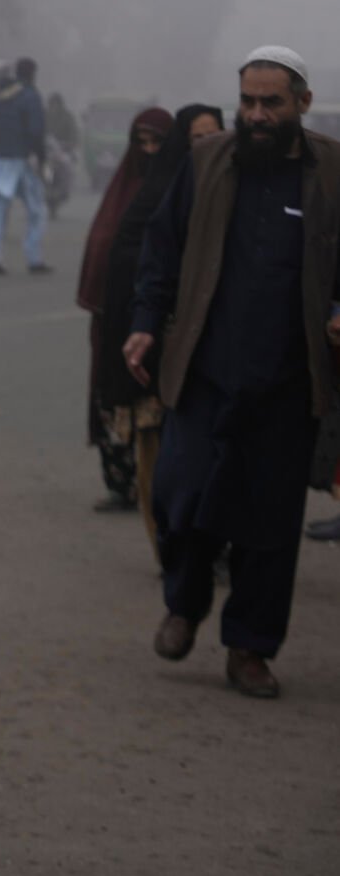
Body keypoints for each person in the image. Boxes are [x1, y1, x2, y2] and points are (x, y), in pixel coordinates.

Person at [126, 45, 340, 698]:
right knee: (181, 495)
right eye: (246, 100)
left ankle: (248, 646)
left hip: (286, 380)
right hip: (204, 370)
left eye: (270, 102)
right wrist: (143, 321)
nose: (254, 114)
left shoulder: (331, 170)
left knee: (268, 525)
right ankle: (184, 603)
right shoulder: (205, 160)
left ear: (300, 104)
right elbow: (160, 247)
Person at [75, 106, 175, 514]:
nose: (149, 151)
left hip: (157, 318)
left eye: (158, 143)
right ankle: (121, 482)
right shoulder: (122, 187)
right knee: (111, 396)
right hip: (112, 317)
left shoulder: (174, 189)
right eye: (142, 143)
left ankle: (155, 488)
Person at [0, 56, 51, 274]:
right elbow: (36, 131)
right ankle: (33, 258)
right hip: (21, 161)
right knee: (36, 211)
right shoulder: (30, 96)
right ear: (32, 73)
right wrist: (40, 157)